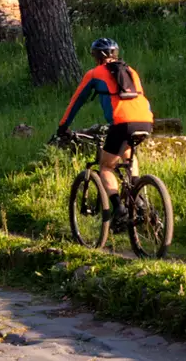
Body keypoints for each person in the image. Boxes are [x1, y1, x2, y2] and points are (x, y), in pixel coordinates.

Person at [53, 37, 154, 223]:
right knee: (128, 153)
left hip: (122, 123)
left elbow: (76, 101)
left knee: (106, 165)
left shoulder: (95, 73)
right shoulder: (131, 71)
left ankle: (119, 208)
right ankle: (138, 194)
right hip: (146, 121)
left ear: (96, 57)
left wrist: (63, 127)